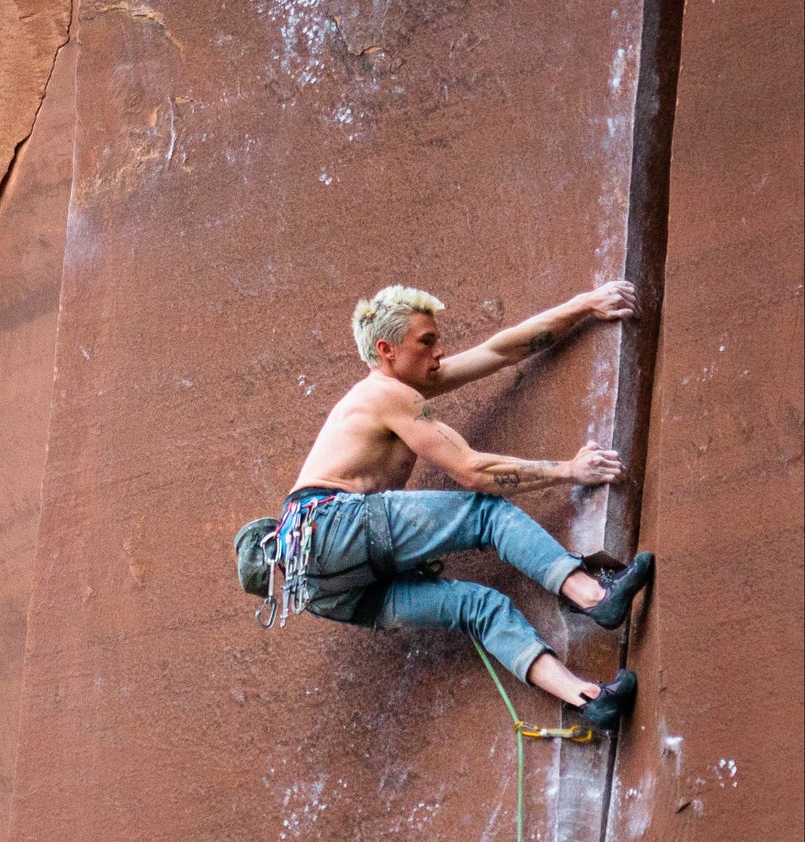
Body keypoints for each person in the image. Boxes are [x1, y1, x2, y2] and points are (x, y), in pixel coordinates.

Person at [277, 279, 655, 727]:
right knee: (486, 512)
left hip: (317, 586)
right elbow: (472, 471)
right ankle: (593, 595)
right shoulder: (383, 392)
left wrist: (582, 305)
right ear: (387, 349)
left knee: (478, 607)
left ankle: (587, 699)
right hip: (328, 524)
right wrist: (569, 470)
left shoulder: (401, 388)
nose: (439, 353)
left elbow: (498, 352)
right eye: (427, 341)